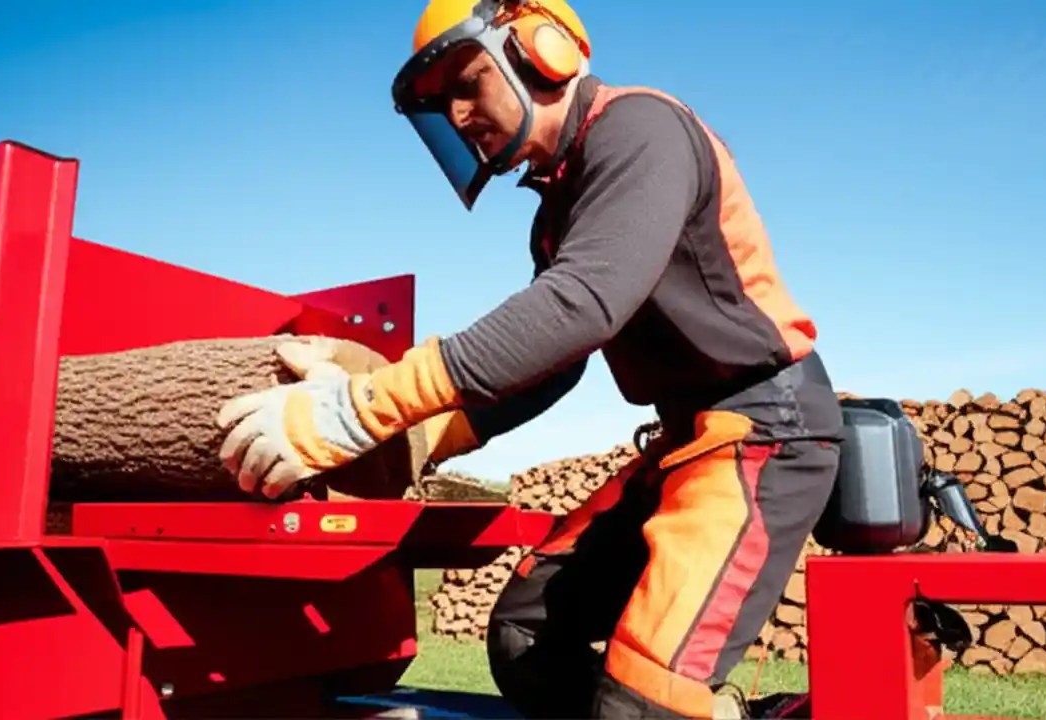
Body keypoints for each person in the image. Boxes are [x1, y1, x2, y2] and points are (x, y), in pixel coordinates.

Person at [214, 0, 843, 717]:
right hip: (687, 439)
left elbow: (582, 305)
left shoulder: (642, 129)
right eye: (438, 104)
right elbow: (554, 363)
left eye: (465, 83)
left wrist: (360, 410)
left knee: (642, 706)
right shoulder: (557, 216)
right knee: (526, 640)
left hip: (764, 429)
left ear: (542, 49)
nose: (455, 116)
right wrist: (421, 437)